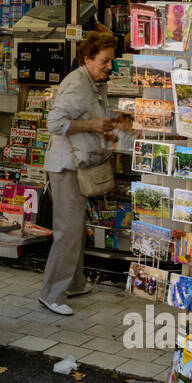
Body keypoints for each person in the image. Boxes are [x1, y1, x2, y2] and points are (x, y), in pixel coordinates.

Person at [37, 29, 132, 316]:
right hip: (67, 166)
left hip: (79, 163)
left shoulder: (93, 83)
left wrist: (113, 124)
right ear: (88, 59)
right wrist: (91, 126)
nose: (108, 67)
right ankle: (52, 293)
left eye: (110, 61)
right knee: (67, 230)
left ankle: (74, 283)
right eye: (104, 61)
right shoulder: (78, 84)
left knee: (75, 226)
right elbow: (54, 122)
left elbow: (91, 118)